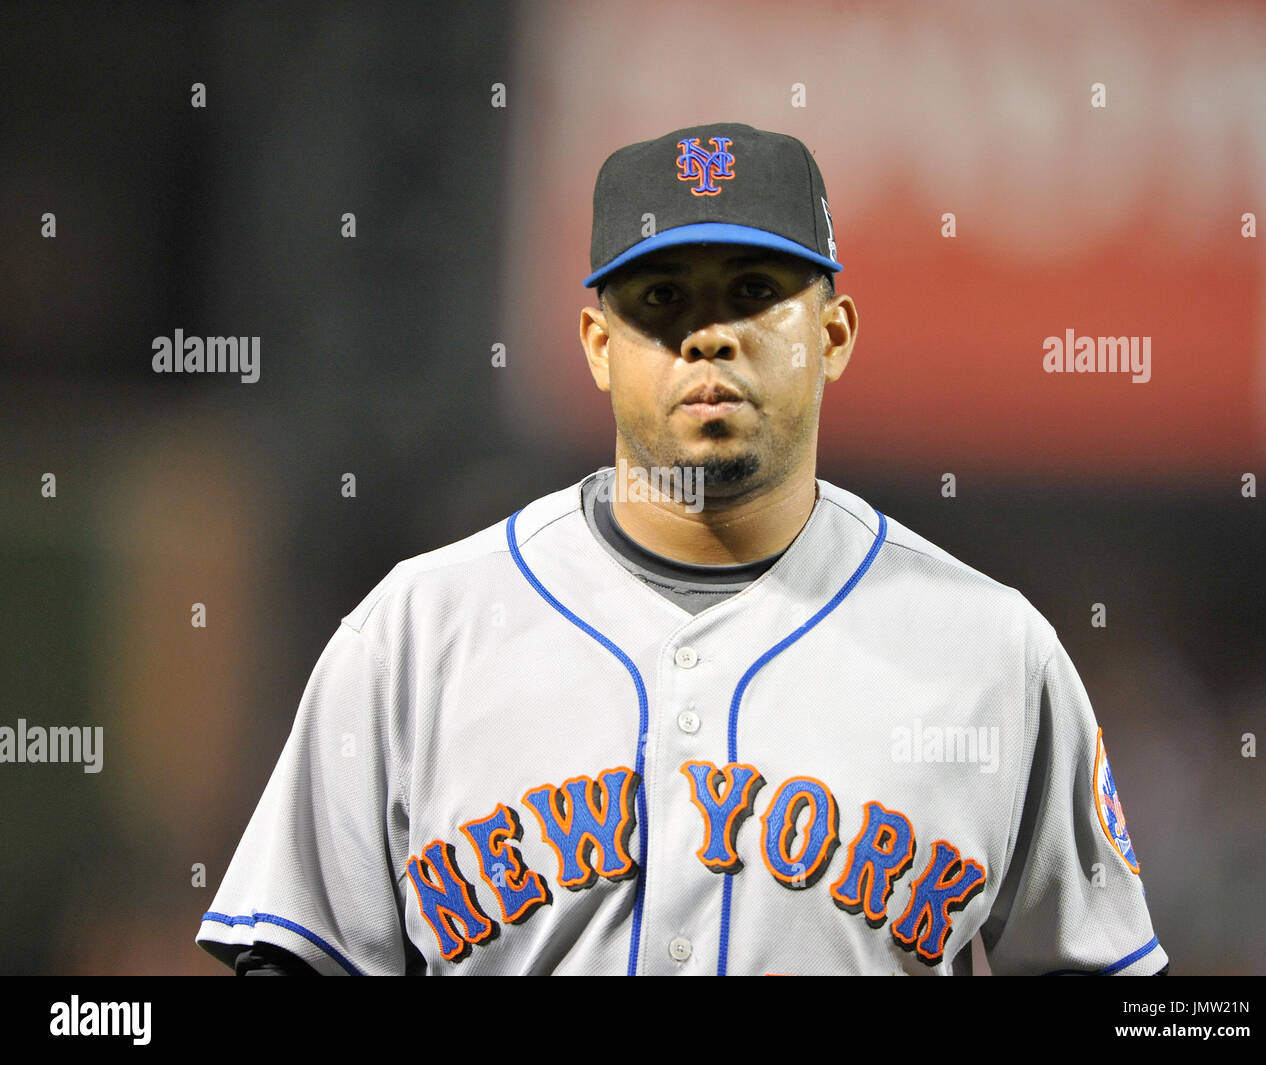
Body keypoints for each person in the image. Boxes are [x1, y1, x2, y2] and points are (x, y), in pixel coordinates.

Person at [196, 122, 1168, 975]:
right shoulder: (415, 632)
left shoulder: (991, 651)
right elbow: (297, 956)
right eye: (660, 299)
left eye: (752, 293)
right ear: (594, 342)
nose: (708, 335)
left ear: (832, 334)